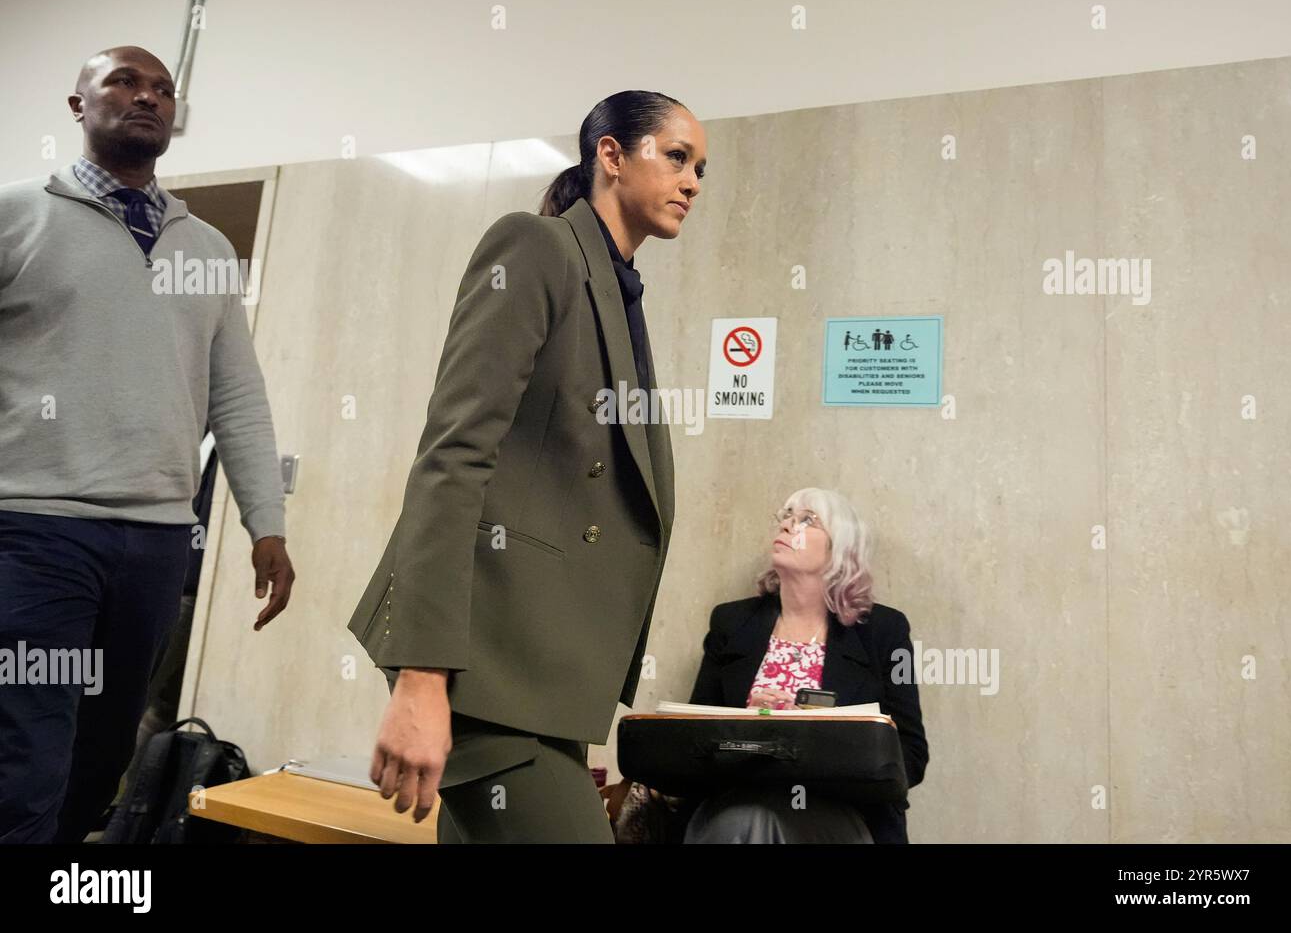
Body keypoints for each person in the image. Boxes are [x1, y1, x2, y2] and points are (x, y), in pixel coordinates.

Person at [347, 91, 706, 842]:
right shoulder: (536, 248)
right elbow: (453, 453)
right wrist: (420, 674)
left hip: (543, 679)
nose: (693, 180)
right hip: (482, 664)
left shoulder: (614, 287)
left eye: (700, 167)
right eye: (676, 157)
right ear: (610, 155)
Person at [0, 47, 295, 844]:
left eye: (163, 89)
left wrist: (265, 522)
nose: (148, 98)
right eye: (125, 83)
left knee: (102, 758)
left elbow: (237, 393)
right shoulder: (17, 214)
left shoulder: (202, 249)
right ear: (77, 104)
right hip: (32, 531)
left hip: (156, 544)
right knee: (24, 751)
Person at [608, 488, 927, 843]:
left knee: (756, 820)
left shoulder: (883, 631)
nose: (789, 525)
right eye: (786, 515)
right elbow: (695, 742)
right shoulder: (732, 622)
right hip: (733, 803)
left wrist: (814, 732)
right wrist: (749, 724)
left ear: (841, 548)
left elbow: (910, 757)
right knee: (747, 818)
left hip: (840, 811)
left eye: (808, 520)